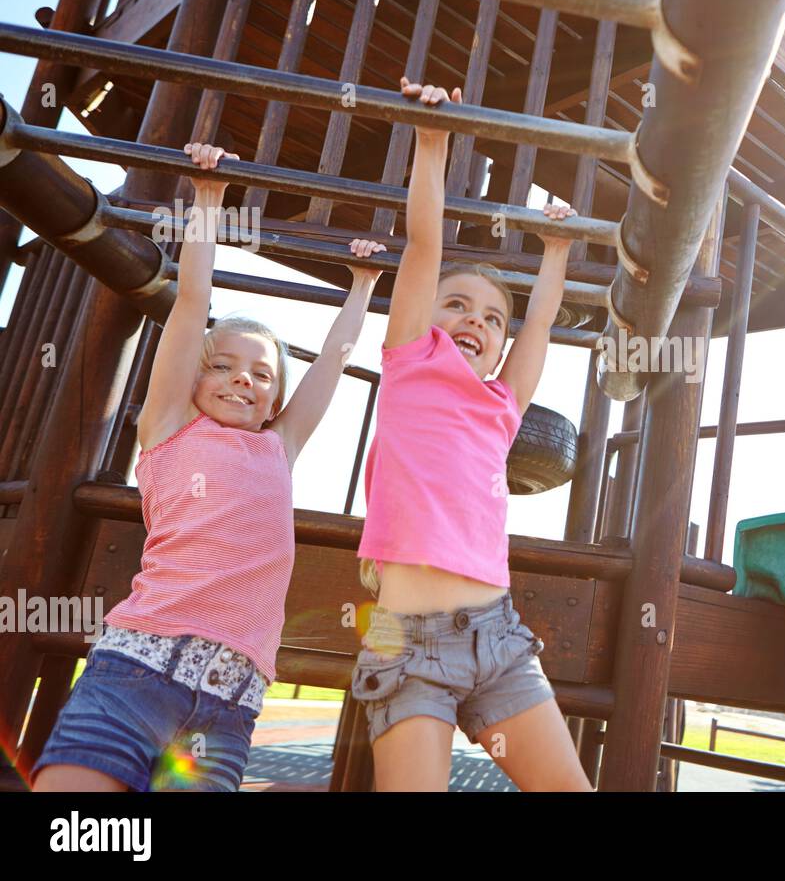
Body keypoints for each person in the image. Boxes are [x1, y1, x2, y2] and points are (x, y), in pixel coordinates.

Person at [32, 142, 385, 791]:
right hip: (137, 673)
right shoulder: (170, 427)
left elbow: (334, 359)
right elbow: (191, 305)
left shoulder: (279, 447)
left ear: (275, 399)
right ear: (195, 376)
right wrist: (208, 199)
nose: (241, 380)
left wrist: (362, 287)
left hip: (227, 702)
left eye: (261, 374)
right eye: (222, 365)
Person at [351, 77, 592, 791]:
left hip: (497, 638)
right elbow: (425, 243)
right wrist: (432, 141)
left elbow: (540, 323)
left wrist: (555, 249)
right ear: (428, 318)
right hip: (408, 645)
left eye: (492, 318)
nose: (476, 321)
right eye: (457, 305)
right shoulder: (410, 363)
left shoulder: (501, 405)